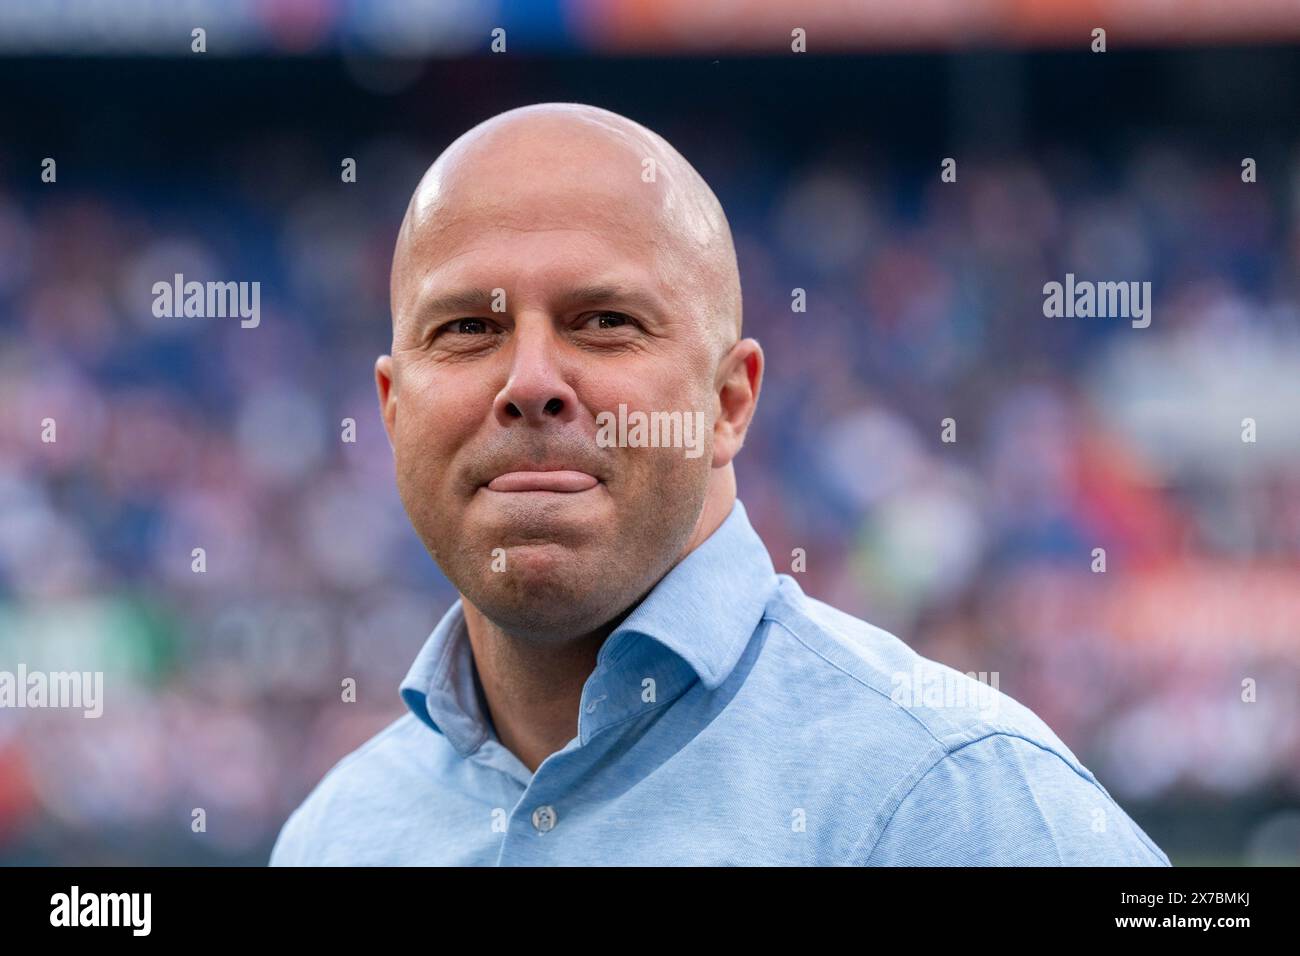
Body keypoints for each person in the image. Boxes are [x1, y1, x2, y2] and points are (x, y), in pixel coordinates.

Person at [270, 102, 1170, 866]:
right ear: (391, 410)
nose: (531, 380)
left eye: (605, 322)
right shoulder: (334, 838)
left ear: (728, 402)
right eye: (468, 327)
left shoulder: (956, 804)